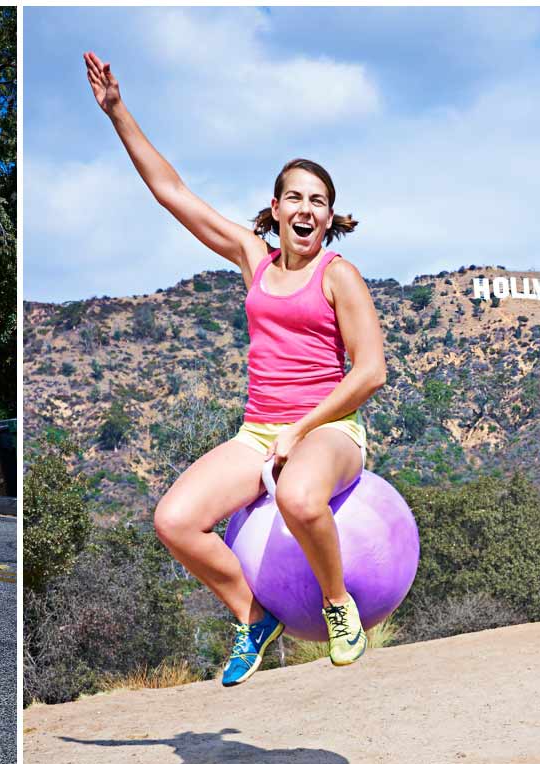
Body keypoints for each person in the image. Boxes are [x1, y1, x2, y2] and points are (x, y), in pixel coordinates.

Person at [85, 52, 388, 683]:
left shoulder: (340, 276)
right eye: (295, 198)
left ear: (329, 218)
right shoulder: (254, 259)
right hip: (257, 434)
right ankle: (252, 615)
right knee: (173, 521)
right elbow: (172, 193)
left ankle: (339, 609)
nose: (306, 209)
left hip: (332, 432)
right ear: (275, 209)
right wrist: (118, 112)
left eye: (319, 201)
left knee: (303, 498)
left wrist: (303, 429)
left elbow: (370, 373)